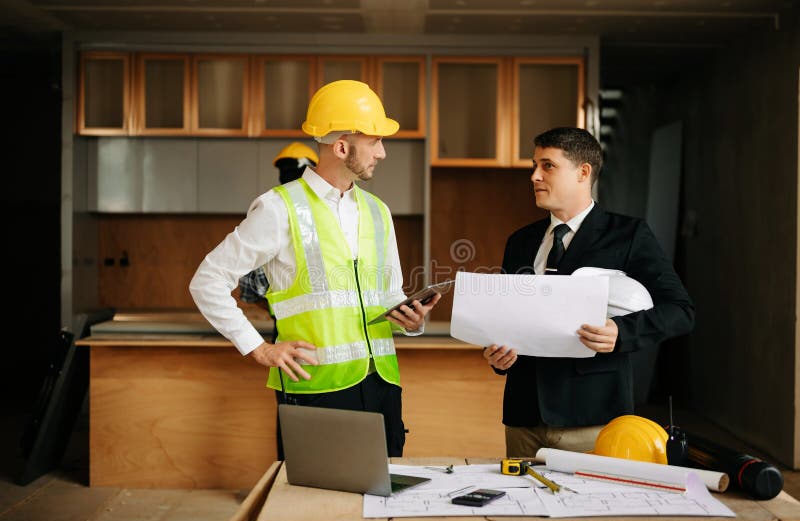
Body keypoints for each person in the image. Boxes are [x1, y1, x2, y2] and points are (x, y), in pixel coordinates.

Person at [190, 80, 440, 457]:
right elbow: (207, 280)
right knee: (314, 507)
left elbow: (389, 295)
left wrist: (412, 320)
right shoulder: (278, 208)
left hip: (383, 385)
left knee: (381, 501)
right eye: (374, 141)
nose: (383, 153)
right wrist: (259, 349)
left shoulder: (378, 212)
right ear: (342, 147)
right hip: (317, 388)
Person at [483, 126, 695, 458]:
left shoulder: (629, 235)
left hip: (594, 421)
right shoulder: (520, 242)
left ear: (583, 173)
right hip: (523, 420)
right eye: (534, 165)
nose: (535, 176)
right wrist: (499, 356)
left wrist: (620, 332)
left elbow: (680, 310)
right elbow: (509, 320)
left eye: (548, 165)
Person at [237, 142, 319, 311]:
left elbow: (250, 286)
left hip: (289, 325)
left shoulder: (271, 210)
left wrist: (279, 311)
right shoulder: (272, 211)